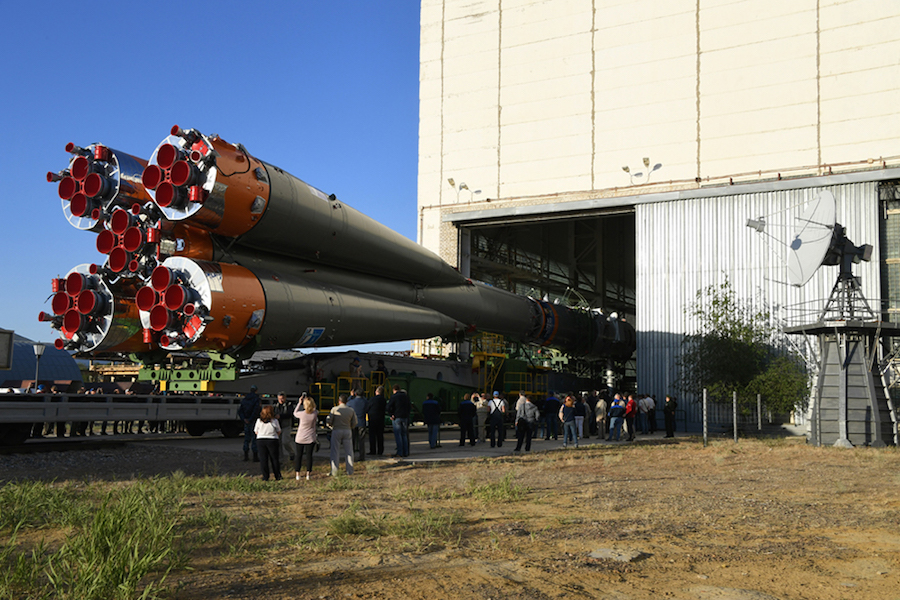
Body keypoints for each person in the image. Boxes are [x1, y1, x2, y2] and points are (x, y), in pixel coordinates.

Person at [327, 394, 357, 476]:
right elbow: (355, 422)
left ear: (339, 401)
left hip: (337, 430)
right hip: (347, 430)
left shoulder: (334, 409)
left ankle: (334, 471)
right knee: (349, 451)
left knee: (335, 451)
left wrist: (331, 426)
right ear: (346, 401)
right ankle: (350, 471)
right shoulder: (351, 410)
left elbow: (329, 421)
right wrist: (350, 427)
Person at [293, 393, 318, 480]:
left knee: (298, 456)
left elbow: (294, 412)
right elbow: (315, 409)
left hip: (300, 437)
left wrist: (299, 402)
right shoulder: (314, 413)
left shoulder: (301, 414)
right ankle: (308, 474)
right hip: (310, 437)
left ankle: (297, 474)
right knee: (309, 456)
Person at [254, 405, 283, 481]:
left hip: (261, 440)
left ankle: (265, 476)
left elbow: (256, 431)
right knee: (274, 459)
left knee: (263, 459)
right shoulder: (274, 421)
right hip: (272, 440)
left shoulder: (259, 421)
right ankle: (277, 475)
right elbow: (279, 431)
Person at [238, 385, 262, 462]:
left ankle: (246, 456)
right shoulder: (257, 399)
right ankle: (255, 456)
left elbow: (240, 411)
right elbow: (256, 410)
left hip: (246, 421)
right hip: (254, 421)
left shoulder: (245, 399)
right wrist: (251, 419)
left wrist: (244, 419)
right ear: (256, 390)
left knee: (246, 439)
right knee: (254, 438)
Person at [386, 384, 411, 457]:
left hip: (397, 417)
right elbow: (409, 406)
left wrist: (391, 414)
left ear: (394, 390)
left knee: (398, 435)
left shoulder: (394, 397)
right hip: (405, 417)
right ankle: (406, 452)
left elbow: (388, 407)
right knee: (404, 435)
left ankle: (400, 452)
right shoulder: (406, 397)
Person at [273, 391, 296, 464]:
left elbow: (290, 414)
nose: (281, 400)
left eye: (282, 399)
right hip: (278, 426)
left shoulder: (289, 405)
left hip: (286, 425)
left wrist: (281, 416)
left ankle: (292, 452)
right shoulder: (275, 405)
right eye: (279, 399)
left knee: (285, 441)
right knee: (278, 443)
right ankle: (280, 459)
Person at [346, 388, 368, 462]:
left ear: (355, 394)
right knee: (361, 440)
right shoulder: (365, 402)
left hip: (353, 423)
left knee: (352, 440)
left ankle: (351, 456)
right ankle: (362, 456)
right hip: (362, 422)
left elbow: (347, 403)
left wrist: (351, 396)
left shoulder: (351, 402)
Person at [366, 385, 387, 455]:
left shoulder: (372, 399)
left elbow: (367, 408)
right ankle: (380, 451)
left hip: (372, 419)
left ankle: (373, 450)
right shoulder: (384, 400)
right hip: (381, 419)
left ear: (376, 392)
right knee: (380, 435)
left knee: (372, 435)